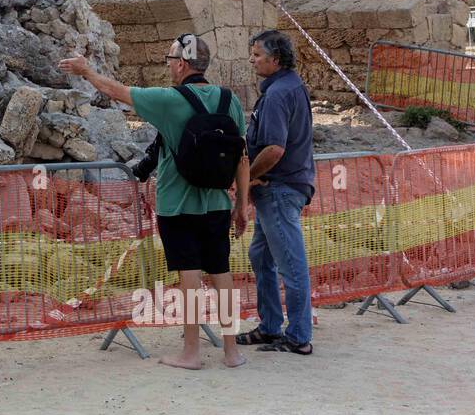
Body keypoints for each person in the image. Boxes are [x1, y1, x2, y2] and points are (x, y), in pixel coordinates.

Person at [59, 34, 250, 370]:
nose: (169, 66)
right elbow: (242, 159)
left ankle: (191, 352)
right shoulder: (229, 100)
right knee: (222, 274)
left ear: (181, 64)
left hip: (177, 205)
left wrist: (86, 70)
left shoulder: (169, 100)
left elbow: (116, 91)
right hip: (219, 203)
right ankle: (231, 351)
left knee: (189, 277)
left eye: (170, 59)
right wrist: (241, 206)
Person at [236, 30, 316, 356]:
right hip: (281, 188)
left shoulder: (279, 95)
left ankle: (298, 336)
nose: (252, 60)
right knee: (261, 256)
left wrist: (248, 178)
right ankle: (270, 326)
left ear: (276, 59)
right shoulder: (288, 87)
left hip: (279, 189)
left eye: (257, 54)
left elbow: (274, 149)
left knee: (291, 265)